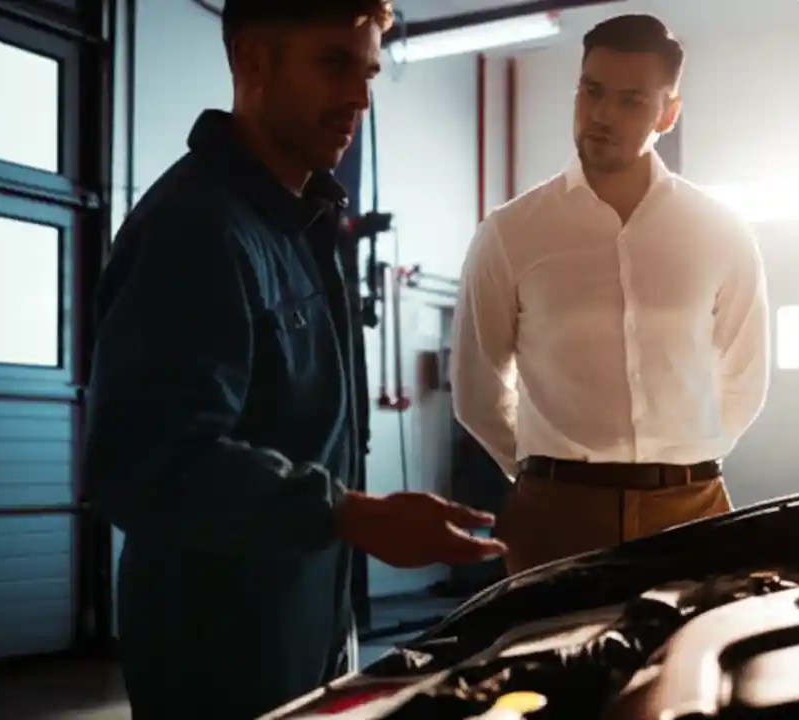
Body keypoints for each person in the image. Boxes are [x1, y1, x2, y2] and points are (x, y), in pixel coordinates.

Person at [83, 1, 506, 716]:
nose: (360, 99)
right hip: (217, 657)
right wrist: (353, 515)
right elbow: (146, 462)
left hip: (305, 626)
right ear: (252, 61)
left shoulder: (298, 222)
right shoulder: (196, 230)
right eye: (335, 64)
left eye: (369, 71)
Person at [451, 14, 769, 575]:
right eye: (592, 92)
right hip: (554, 514)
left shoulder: (720, 230)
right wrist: (542, 472)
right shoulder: (511, 232)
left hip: (691, 510)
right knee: (546, 662)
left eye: (632, 102)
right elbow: (477, 390)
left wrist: (681, 460)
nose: (602, 115)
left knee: (687, 659)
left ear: (668, 114)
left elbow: (745, 379)